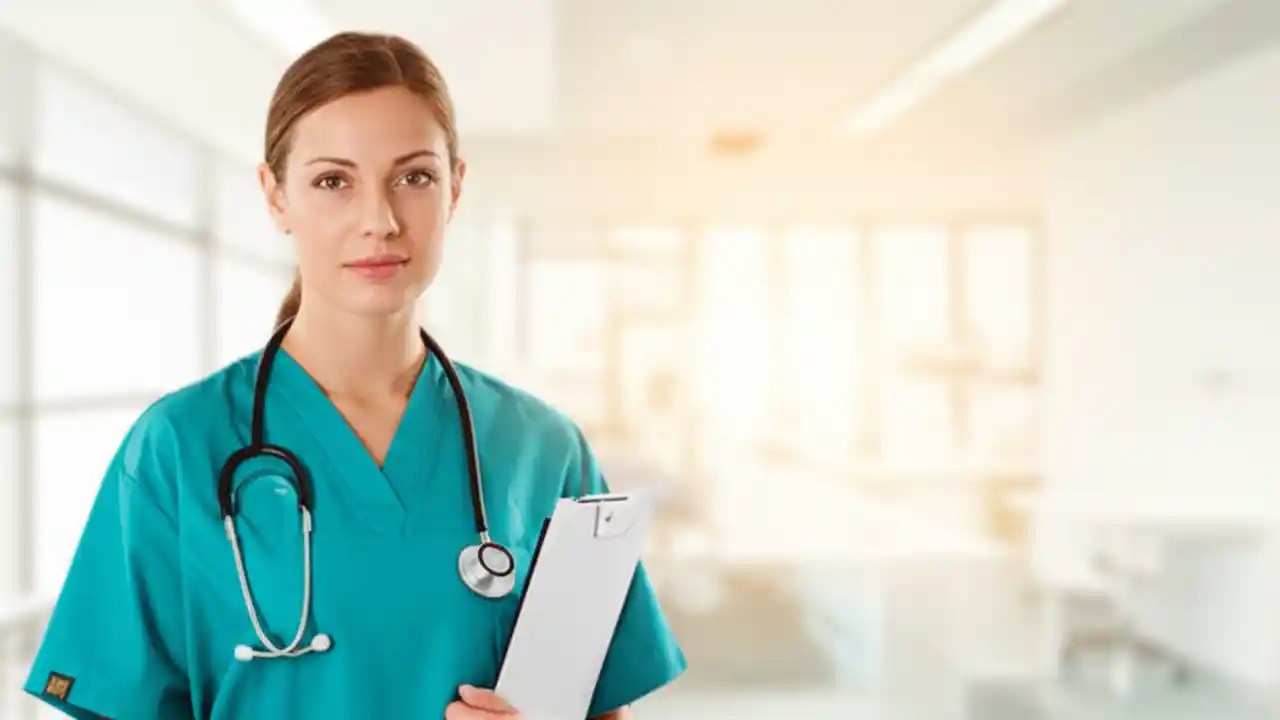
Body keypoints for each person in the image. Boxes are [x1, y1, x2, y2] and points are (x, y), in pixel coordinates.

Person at [23, 31, 686, 719]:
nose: (380, 221)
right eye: (333, 181)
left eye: (414, 177)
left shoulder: (543, 452)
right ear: (275, 196)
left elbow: (600, 707)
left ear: (455, 187)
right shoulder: (177, 449)